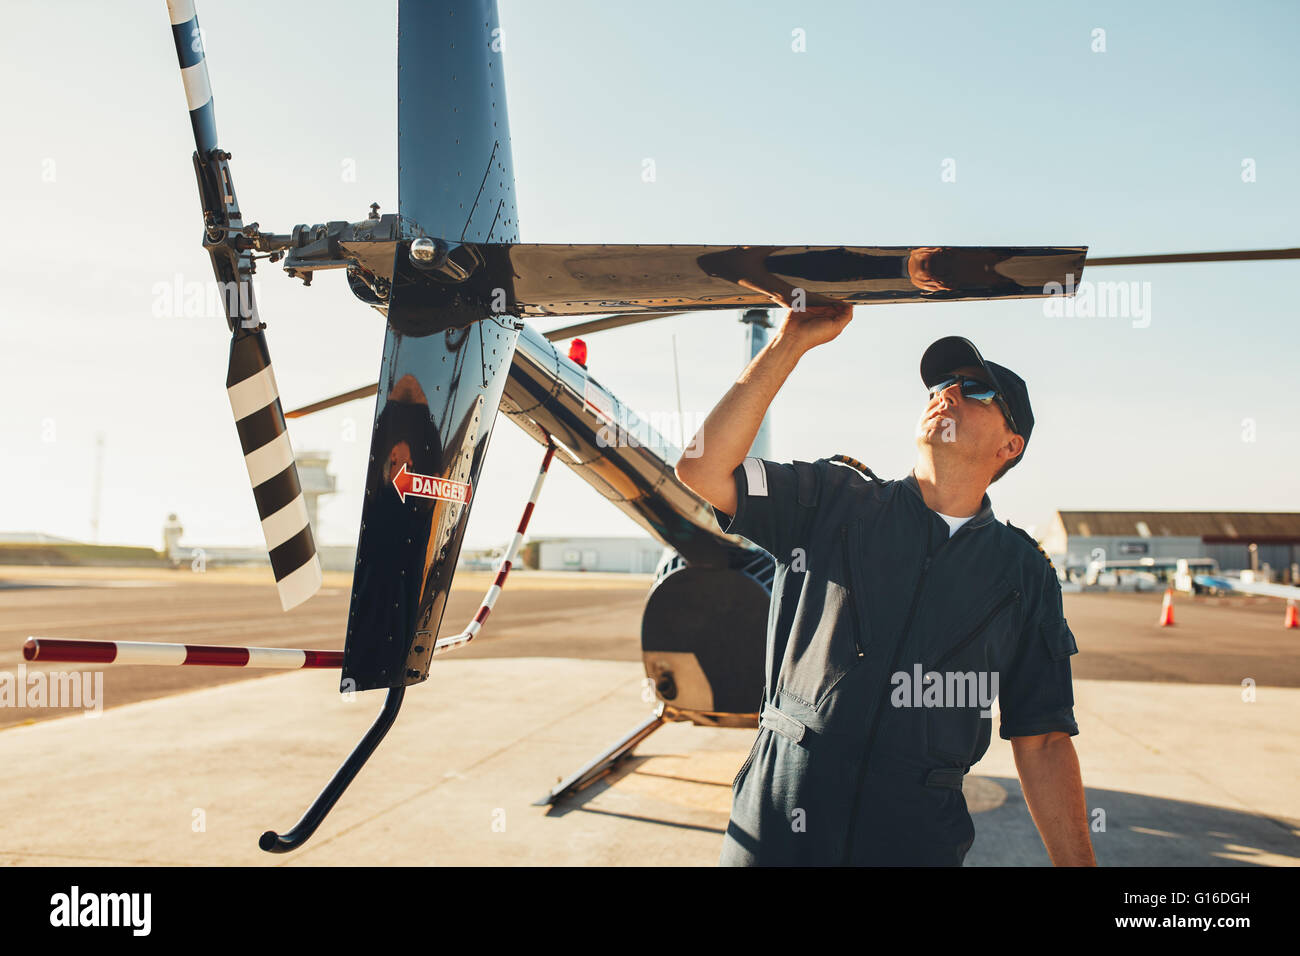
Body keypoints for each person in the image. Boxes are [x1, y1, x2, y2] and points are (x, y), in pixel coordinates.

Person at [674, 293, 1095, 866]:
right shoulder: (832, 500)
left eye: (974, 389)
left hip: (914, 841)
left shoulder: (1024, 572)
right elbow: (702, 467)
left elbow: (1043, 739)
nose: (947, 392)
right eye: (939, 385)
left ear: (1009, 445)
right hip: (779, 825)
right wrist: (791, 340)